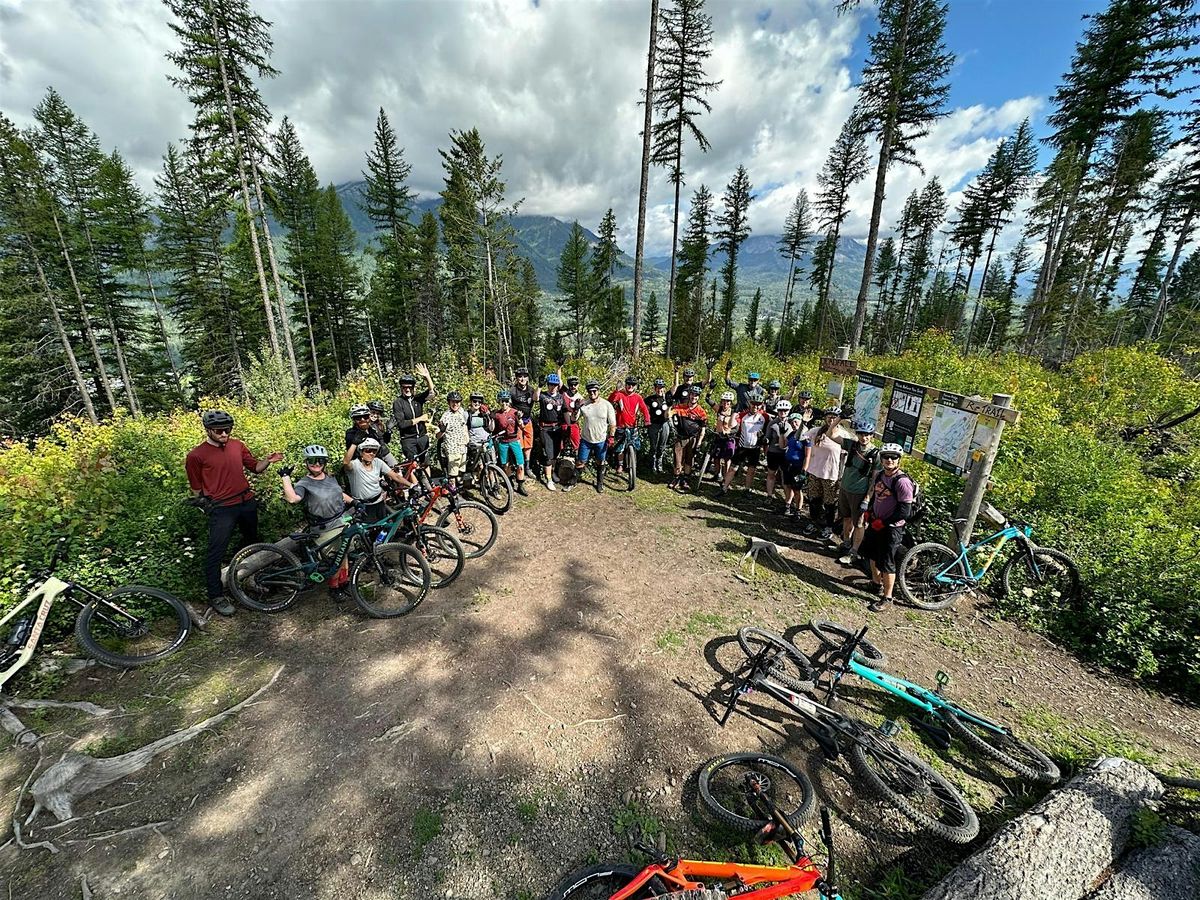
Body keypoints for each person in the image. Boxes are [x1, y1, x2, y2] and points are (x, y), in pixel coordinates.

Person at [185, 410, 283, 617]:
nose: (224, 433)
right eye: (219, 430)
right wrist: (205, 505)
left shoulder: (237, 445)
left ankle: (253, 580)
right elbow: (196, 488)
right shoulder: (196, 456)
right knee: (216, 552)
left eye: (228, 429)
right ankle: (216, 596)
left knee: (252, 543)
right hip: (222, 509)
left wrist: (269, 461)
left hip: (246, 502)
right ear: (208, 430)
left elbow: (255, 467)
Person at [280, 445, 356, 599]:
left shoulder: (329, 478)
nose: (316, 463)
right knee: (335, 557)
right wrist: (285, 477)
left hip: (341, 521)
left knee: (345, 553)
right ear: (306, 463)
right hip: (324, 528)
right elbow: (292, 498)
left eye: (320, 460)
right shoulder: (304, 483)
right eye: (312, 460)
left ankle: (343, 582)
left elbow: (339, 493)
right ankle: (334, 588)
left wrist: (355, 502)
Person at [858, 444, 916, 611]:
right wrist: (869, 512)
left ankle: (887, 597)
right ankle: (875, 584)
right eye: (886, 457)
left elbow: (904, 511)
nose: (889, 460)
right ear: (881, 459)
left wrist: (884, 522)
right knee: (872, 555)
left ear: (899, 459)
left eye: (893, 457)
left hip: (891, 528)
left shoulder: (902, 482)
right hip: (876, 522)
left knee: (887, 562)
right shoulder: (880, 475)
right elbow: (876, 497)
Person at [835, 419, 880, 565]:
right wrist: (839, 418)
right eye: (861, 434)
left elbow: (874, 479)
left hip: (859, 492)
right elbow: (831, 434)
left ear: (872, 436)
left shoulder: (875, 454)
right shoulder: (852, 445)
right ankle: (846, 544)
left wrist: (867, 498)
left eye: (867, 435)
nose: (864, 437)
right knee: (846, 518)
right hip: (845, 488)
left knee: (859, 523)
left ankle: (854, 552)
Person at [343, 437, 414, 524]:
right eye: (368, 450)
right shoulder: (355, 466)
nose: (371, 453)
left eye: (374, 451)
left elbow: (395, 476)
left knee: (382, 528)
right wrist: (354, 444)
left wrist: (411, 485)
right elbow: (346, 462)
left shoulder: (378, 462)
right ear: (361, 452)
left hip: (379, 503)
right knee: (368, 532)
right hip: (364, 506)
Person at [802, 405, 847, 539]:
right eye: (829, 416)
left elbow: (846, 458)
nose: (831, 419)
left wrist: (841, 477)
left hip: (832, 475)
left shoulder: (843, 435)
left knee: (829, 503)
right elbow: (800, 436)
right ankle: (814, 521)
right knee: (814, 500)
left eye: (834, 417)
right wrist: (804, 422)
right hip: (815, 472)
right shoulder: (816, 431)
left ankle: (828, 527)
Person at [391, 363, 436, 465]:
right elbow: (401, 424)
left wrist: (427, 377)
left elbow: (432, 392)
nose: (407, 389)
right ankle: (414, 482)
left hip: (422, 437)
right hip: (408, 439)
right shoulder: (398, 402)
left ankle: (427, 481)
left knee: (426, 463)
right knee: (412, 465)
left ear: (413, 388)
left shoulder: (417, 399)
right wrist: (420, 419)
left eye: (410, 387)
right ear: (401, 388)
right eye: (404, 387)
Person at [577, 380, 617, 493]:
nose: (592, 393)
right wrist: (576, 409)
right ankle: (573, 481)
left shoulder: (606, 405)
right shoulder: (584, 404)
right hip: (586, 440)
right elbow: (574, 419)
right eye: (590, 391)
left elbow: (613, 423)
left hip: (601, 440)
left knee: (600, 461)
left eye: (594, 391)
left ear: (598, 391)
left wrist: (611, 436)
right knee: (580, 461)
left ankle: (600, 483)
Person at [725, 392, 768, 494]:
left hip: (755, 448)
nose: (755, 406)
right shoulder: (742, 415)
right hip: (742, 446)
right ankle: (724, 488)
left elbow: (770, 428)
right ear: (749, 403)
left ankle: (747, 489)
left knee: (751, 470)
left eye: (757, 404)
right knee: (733, 468)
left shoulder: (765, 417)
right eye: (753, 403)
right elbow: (731, 425)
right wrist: (735, 412)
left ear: (761, 405)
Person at [608, 375, 651, 476]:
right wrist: (616, 391)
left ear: (635, 386)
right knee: (620, 448)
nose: (630, 386)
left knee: (635, 445)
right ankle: (620, 465)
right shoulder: (620, 394)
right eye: (628, 384)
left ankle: (633, 464)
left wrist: (647, 420)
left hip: (633, 426)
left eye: (633, 384)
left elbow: (644, 409)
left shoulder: (638, 397)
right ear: (625, 385)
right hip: (620, 426)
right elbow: (610, 401)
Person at [668, 386, 708, 491]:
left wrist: (699, 443)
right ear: (689, 395)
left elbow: (703, 430)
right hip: (680, 437)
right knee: (677, 459)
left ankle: (685, 479)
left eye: (696, 395)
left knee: (689, 460)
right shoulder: (680, 407)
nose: (694, 397)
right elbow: (668, 414)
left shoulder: (701, 411)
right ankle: (676, 478)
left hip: (693, 438)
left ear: (698, 397)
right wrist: (669, 406)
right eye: (692, 394)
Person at [490, 390, 530, 496]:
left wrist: (520, 419)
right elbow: (492, 429)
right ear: (499, 401)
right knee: (505, 464)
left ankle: (520, 485)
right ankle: (509, 483)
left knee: (520, 464)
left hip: (514, 440)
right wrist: (491, 419)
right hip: (503, 441)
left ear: (509, 401)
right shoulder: (497, 414)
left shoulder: (514, 412)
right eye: (502, 401)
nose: (504, 403)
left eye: (506, 401)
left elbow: (522, 427)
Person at [344, 404, 397, 470]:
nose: (362, 420)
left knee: (398, 471)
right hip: (366, 461)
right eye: (358, 418)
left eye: (365, 417)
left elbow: (383, 441)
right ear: (354, 420)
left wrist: (388, 431)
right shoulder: (351, 433)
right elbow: (351, 455)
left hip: (382, 454)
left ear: (369, 417)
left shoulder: (373, 429)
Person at [537, 373, 566, 489]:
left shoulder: (560, 397)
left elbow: (565, 412)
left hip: (557, 428)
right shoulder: (543, 396)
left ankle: (552, 473)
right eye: (550, 385)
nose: (552, 387)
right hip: (545, 428)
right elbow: (535, 398)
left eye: (555, 385)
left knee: (555, 453)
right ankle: (548, 479)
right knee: (548, 455)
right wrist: (539, 386)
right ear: (547, 385)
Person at [437, 392, 472, 489]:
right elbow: (438, 436)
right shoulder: (445, 416)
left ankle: (458, 489)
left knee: (461, 471)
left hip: (463, 447)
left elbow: (465, 426)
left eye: (457, 402)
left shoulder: (461, 412)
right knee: (453, 474)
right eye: (453, 402)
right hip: (452, 449)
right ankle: (453, 493)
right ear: (449, 402)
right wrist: (442, 431)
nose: (455, 404)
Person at [782, 412, 811, 519]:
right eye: (791, 422)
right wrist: (781, 434)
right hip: (788, 464)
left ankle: (798, 510)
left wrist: (804, 470)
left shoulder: (806, 437)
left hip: (798, 467)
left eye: (796, 422)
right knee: (787, 485)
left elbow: (808, 455)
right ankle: (788, 504)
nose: (794, 424)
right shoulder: (790, 434)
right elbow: (783, 445)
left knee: (797, 489)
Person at [511, 366, 538, 480]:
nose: (522, 379)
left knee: (528, 445)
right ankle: (519, 467)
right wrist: (517, 415)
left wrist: (539, 387)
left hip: (527, 420)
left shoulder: (531, 390)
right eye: (520, 377)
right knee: (519, 445)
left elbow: (536, 399)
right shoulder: (512, 390)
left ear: (527, 378)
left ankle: (527, 467)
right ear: (516, 378)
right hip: (517, 421)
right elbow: (508, 406)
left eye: (524, 376)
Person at [764, 399, 792, 502]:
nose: (783, 412)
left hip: (786, 454)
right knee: (771, 474)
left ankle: (788, 502)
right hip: (773, 452)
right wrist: (764, 439)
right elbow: (767, 437)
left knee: (785, 479)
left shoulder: (791, 424)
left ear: (788, 411)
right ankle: (769, 495)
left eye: (785, 410)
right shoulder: (772, 423)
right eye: (780, 410)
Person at [709, 390, 738, 489]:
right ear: (721, 402)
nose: (725, 404)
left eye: (728, 402)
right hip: (718, 436)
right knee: (716, 457)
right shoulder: (719, 409)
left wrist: (729, 432)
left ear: (731, 404)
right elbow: (708, 400)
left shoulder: (733, 413)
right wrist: (710, 390)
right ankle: (717, 475)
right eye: (724, 402)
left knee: (727, 459)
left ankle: (726, 479)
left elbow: (736, 428)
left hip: (728, 438)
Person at [645, 378, 672, 474]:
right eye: (657, 387)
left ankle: (659, 465)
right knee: (654, 446)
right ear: (655, 388)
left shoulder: (667, 399)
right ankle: (652, 465)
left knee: (662, 446)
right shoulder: (649, 399)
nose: (659, 389)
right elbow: (644, 410)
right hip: (654, 425)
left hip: (664, 424)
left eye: (661, 388)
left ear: (664, 388)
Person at [561, 375, 584, 453]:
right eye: (571, 385)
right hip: (562, 423)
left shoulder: (580, 398)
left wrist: (576, 410)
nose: (573, 387)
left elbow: (574, 419)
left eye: (575, 384)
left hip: (573, 424)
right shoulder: (564, 393)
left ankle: (577, 462)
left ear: (578, 385)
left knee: (576, 446)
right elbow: (559, 381)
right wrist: (559, 367)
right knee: (559, 447)